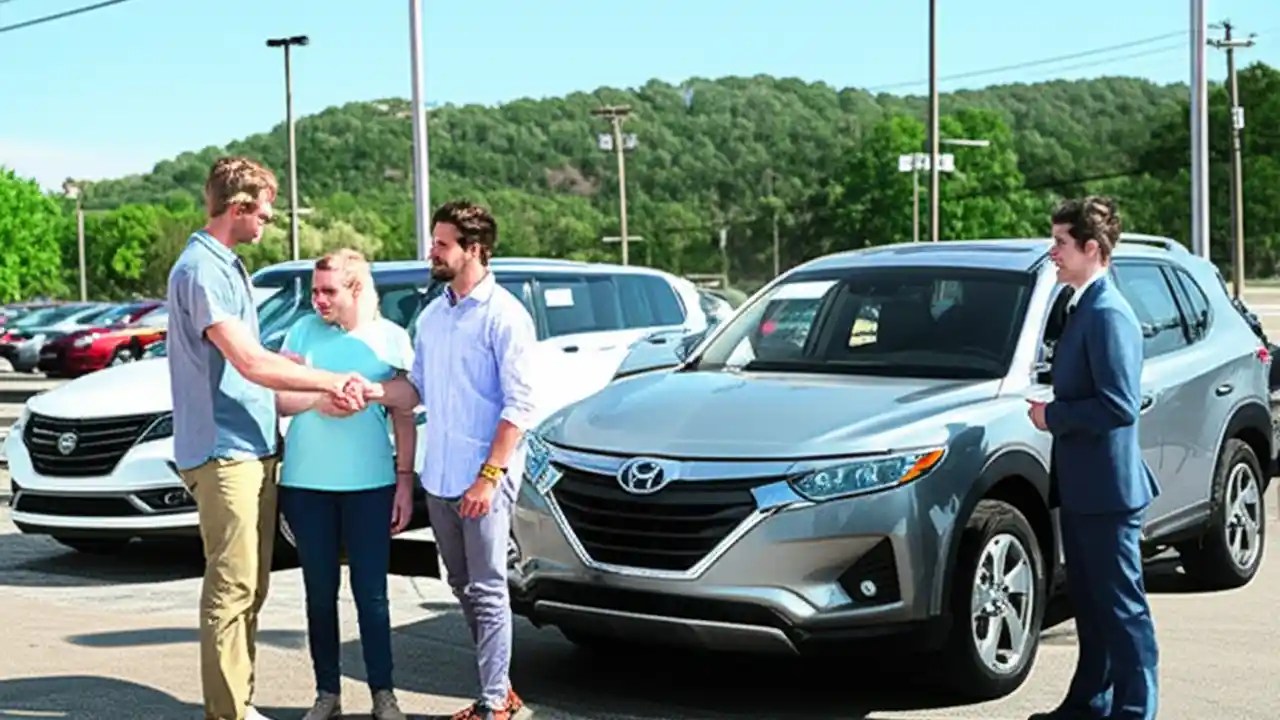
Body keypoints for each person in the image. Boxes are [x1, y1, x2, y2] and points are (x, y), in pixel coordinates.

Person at [167, 156, 379, 720]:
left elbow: (253, 366)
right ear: (237, 209)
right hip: (224, 452)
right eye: (262, 211)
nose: (267, 221)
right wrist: (329, 379)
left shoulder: (226, 265)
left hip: (250, 449)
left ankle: (238, 703)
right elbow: (252, 364)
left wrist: (306, 385)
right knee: (233, 590)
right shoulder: (203, 270)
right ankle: (231, 712)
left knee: (249, 590)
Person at [377, 200, 537, 720]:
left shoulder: (505, 316)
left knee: (489, 589)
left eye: (442, 243)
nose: (432, 251)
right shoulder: (432, 316)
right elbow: (417, 389)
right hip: (440, 475)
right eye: (434, 241)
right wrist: (366, 390)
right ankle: (501, 688)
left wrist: (489, 478)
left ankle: (494, 705)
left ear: (475, 249)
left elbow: (520, 407)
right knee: (460, 585)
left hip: (483, 479)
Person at [1025, 196, 1160, 720]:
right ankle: (1090, 704)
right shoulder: (1079, 302)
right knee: (1093, 607)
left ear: (1091, 249)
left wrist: (1052, 417)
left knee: (1123, 611)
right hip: (1085, 489)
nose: (1052, 252)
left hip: (1109, 492)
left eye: (1060, 243)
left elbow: (1119, 405)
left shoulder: (1107, 312)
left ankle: (1135, 709)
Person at [273, 249, 416, 720]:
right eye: (315, 290)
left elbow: (408, 403)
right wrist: (319, 398)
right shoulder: (300, 333)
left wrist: (403, 482)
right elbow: (276, 398)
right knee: (319, 592)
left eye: (328, 291)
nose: (318, 300)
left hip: (371, 484)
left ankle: (383, 694)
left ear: (355, 289)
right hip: (307, 485)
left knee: (372, 594)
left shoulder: (390, 339)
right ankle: (326, 693)